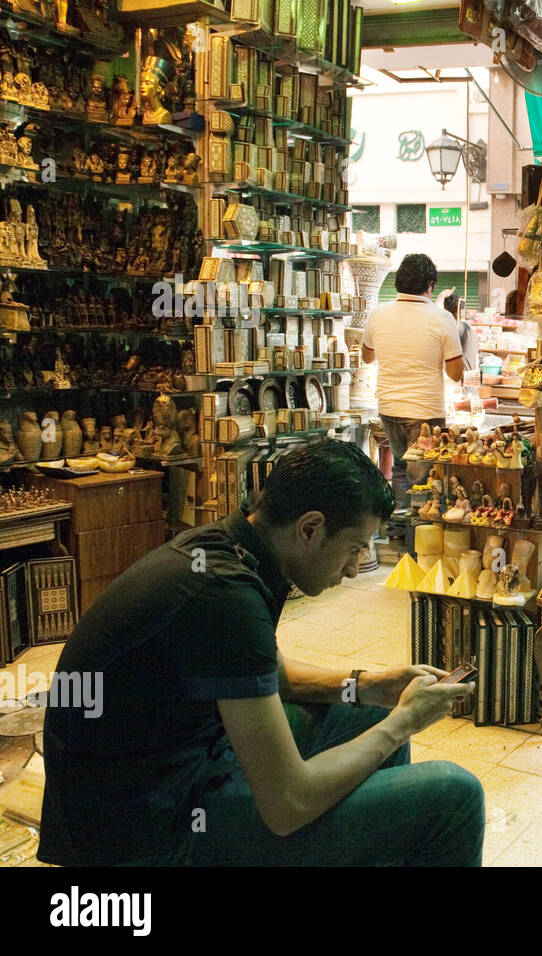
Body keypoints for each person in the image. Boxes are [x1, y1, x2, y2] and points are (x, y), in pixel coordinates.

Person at [38, 440, 484, 866]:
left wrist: (368, 685)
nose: (354, 568)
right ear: (310, 528)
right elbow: (288, 803)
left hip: (175, 768)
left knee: (362, 711)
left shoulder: (232, 546)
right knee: (453, 796)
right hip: (143, 836)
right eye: (354, 548)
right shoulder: (223, 594)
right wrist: (403, 720)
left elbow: (266, 672)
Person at [362, 254, 465, 525]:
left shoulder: (378, 314)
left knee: (399, 468)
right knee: (424, 481)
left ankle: (399, 536)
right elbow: (455, 374)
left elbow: (367, 356)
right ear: (430, 285)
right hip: (424, 412)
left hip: (389, 408)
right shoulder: (442, 319)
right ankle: (417, 546)